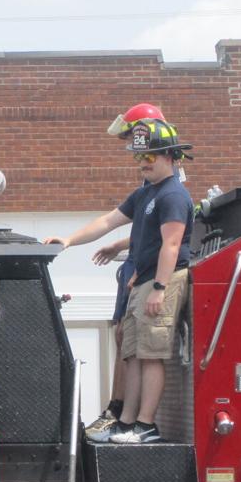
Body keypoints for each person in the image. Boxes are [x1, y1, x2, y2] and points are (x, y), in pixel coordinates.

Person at [46, 104, 193, 444]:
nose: (143, 164)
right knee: (134, 352)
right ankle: (126, 423)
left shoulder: (173, 194)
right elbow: (108, 221)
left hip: (162, 281)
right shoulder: (146, 193)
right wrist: (68, 240)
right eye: (139, 158)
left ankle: (146, 425)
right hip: (142, 280)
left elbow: (172, 245)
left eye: (149, 158)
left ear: (169, 155)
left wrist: (158, 287)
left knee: (151, 355)